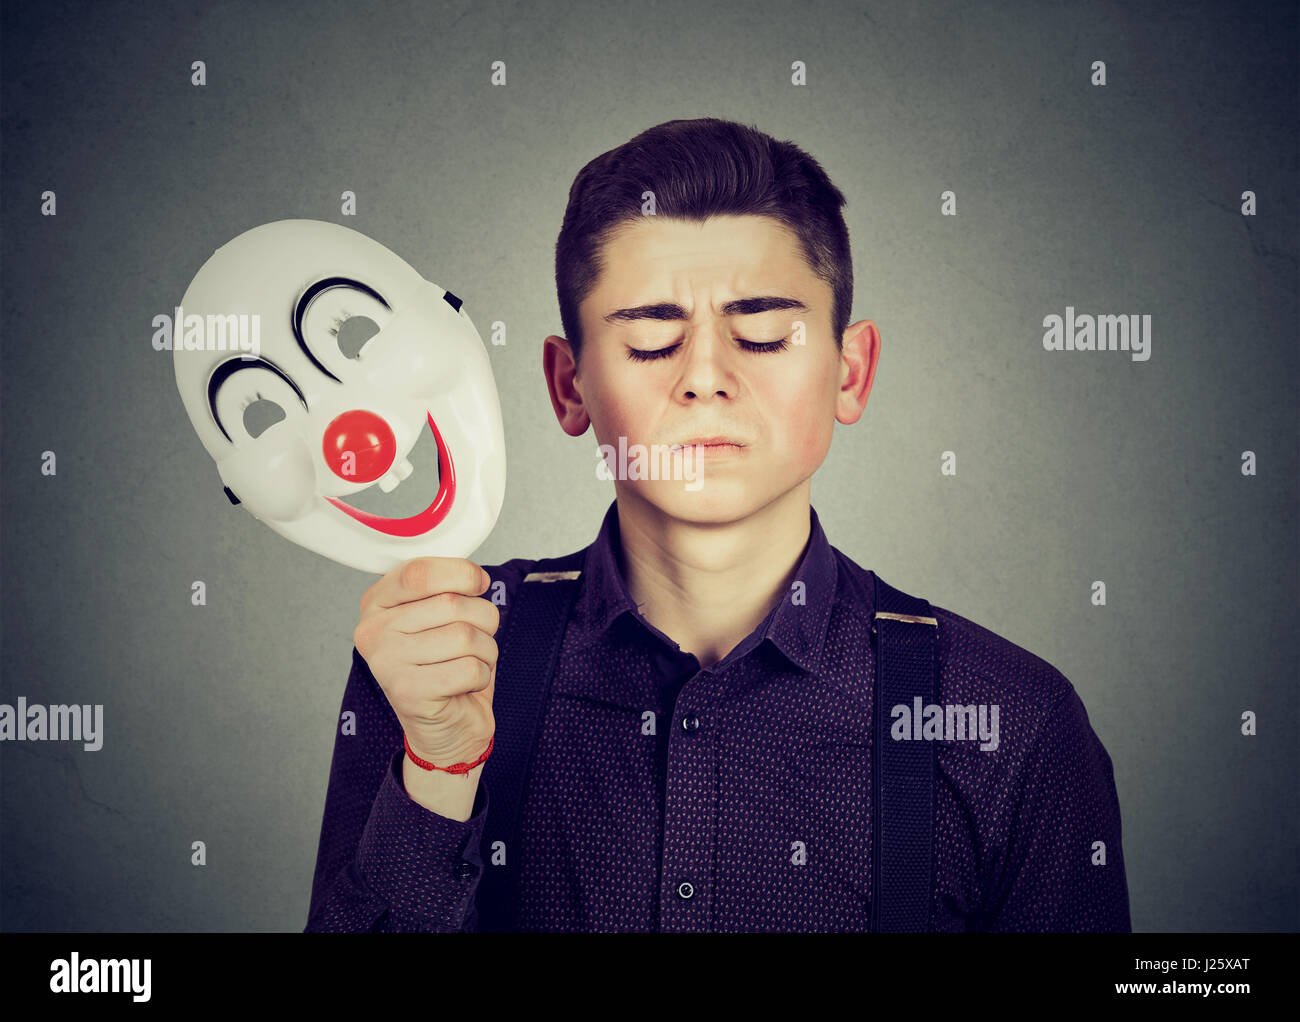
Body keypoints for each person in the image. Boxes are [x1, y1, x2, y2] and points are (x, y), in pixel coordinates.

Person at [304, 117, 1131, 932]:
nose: (706, 377)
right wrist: (439, 764)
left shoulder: (1012, 721)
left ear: (852, 371)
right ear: (569, 386)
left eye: (764, 335)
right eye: (653, 339)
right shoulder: (439, 655)